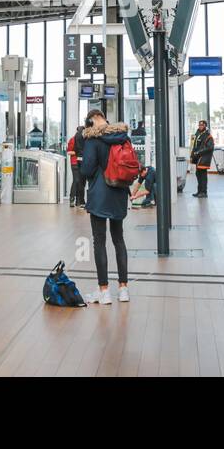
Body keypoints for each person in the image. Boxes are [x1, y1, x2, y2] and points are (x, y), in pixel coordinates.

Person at [78, 109, 132, 305]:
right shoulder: (122, 137)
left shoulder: (93, 140)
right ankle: (124, 288)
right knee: (119, 239)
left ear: (91, 121)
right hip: (119, 192)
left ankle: (104, 291)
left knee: (99, 241)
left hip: (100, 194)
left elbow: (87, 169)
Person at [190, 120, 214, 198]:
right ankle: (199, 191)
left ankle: (204, 192)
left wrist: (199, 152)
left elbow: (210, 147)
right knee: (198, 174)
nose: (200, 126)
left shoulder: (208, 136)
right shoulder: (197, 134)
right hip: (198, 158)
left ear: (205, 126)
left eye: (202, 125)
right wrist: (192, 155)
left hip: (204, 158)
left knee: (203, 176)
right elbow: (194, 146)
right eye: (199, 125)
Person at [66, 125, 85, 208]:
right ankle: (72, 199)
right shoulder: (72, 140)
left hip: (81, 162)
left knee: (81, 182)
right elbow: (69, 152)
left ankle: (79, 201)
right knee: (76, 180)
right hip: (75, 163)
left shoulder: (84, 140)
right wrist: (77, 152)